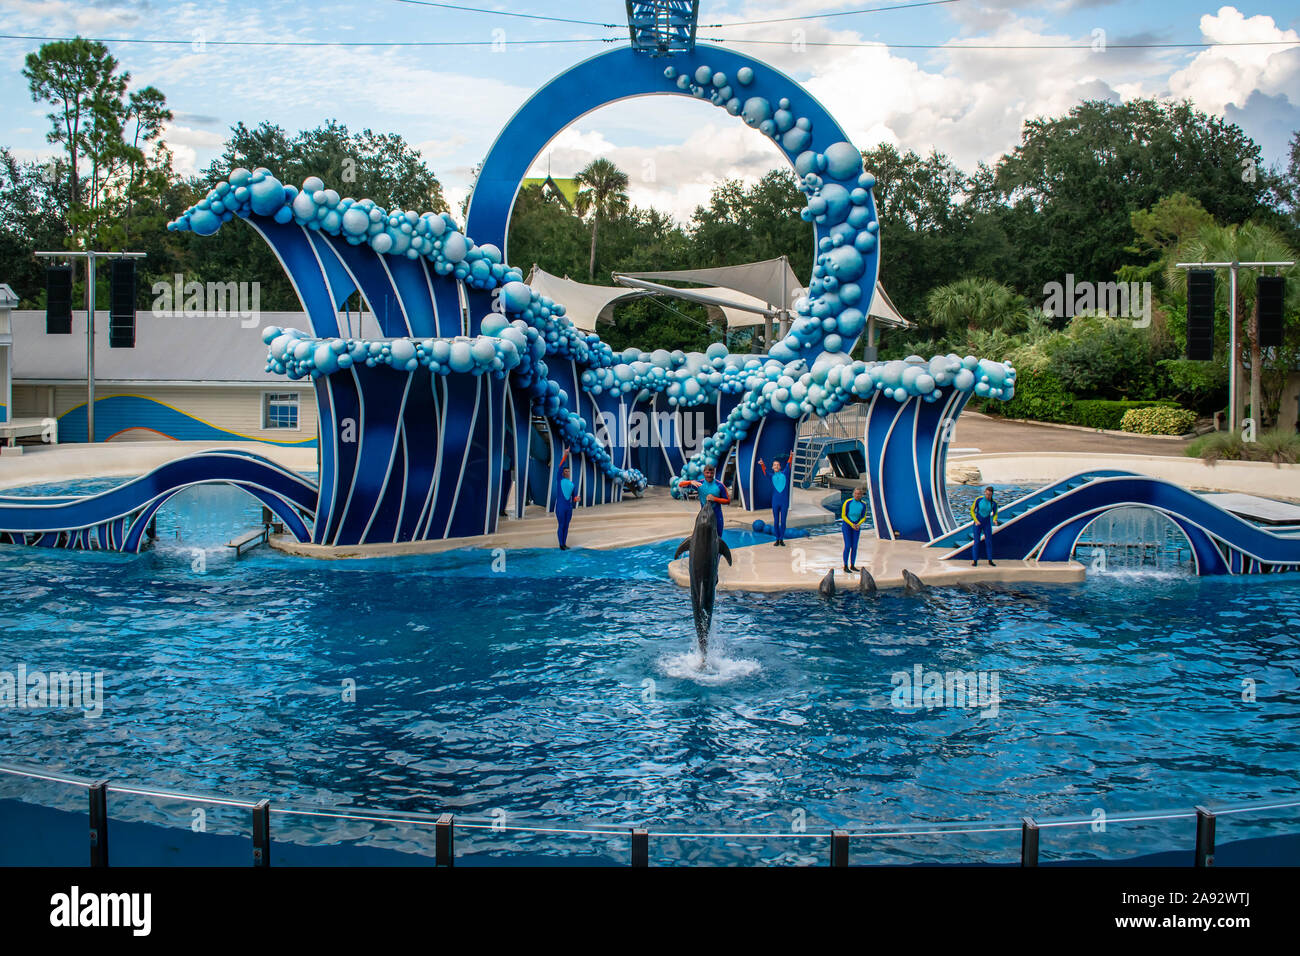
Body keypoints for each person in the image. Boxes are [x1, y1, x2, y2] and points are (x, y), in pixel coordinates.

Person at [678, 464, 730, 535]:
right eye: (707, 473)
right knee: (701, 538)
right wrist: (690, 482)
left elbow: (727, 501)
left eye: (711, 473)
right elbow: (680, 485)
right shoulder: (699, 484)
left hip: (717, 517)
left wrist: (715, 499)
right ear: (704, 473)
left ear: (714, 473)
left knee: (718, 537)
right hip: (703, 517)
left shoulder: (720, 485)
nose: (709, 475)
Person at [758, 451, 794, 546]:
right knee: (776, 521)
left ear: (780, 467)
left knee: (783, 521)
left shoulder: (785, 473)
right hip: (775, 501)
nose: (776, 466)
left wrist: (790, 456)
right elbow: (765, 471)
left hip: (784, 502)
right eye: (774, 465)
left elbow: (789, 464)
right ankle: (777, 539)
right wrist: (762, 464)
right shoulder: (771, 476)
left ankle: (781, 539)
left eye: (778, 465)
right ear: (773, 467)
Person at [554, 448, 580, 550]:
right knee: (561, 525)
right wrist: (565, 455)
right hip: (560, 507)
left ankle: (564, 543)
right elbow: (560, 466)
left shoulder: (572, 484)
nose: (567, 472)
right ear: (563, 473)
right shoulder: (559, 479)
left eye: (568, 471)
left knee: (566, 525)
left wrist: (576, 499)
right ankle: (561, 544)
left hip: (568, 507)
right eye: (565, 471)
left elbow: (573, 497)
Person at [840, 486, 868, 572]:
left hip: (856, 527)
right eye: (856, 493)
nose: (857, 495)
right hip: (847, 526)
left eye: (859, 494)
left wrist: (858, 524)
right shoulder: (847, 502)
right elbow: (843, 515)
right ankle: (845, 566)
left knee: (854, 546)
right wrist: (852, 524)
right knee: (848, 545)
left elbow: (864, 517)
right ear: (853, 494)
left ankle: (852, 565)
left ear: (862, 495)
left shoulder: (863, 504)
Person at [970, 486, 999, 567]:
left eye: (989, 495)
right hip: (977, 523)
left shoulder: (994, 503)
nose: (987, 496)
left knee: (988, 542)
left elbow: (995, 513)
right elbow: (972, 511)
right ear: (984, 493)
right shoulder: (979, 499)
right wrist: (976, 520)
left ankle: (990, 560)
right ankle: (974, 560)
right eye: (986, 494)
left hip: (987, 523)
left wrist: (994, 519)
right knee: (977, 541)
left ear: (992, 494)